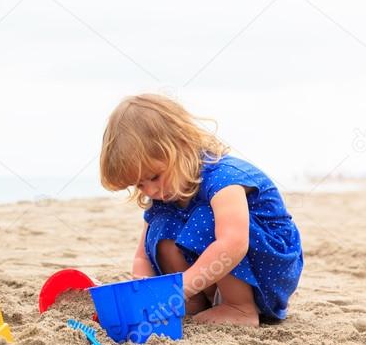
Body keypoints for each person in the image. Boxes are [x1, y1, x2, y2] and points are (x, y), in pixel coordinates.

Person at [99, 94, 303, 325]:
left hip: (269, 267)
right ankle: (196, 302)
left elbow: (233, 243)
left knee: (207, 220)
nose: (151, 190)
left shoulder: (223, 179)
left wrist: (178, 289)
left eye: (155, 177)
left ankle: (240, 307)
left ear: (182, 146)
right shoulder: (163, 195)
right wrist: (143, 295)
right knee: (162, 227)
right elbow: (142, 255)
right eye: (140, 184)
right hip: (218, 273)